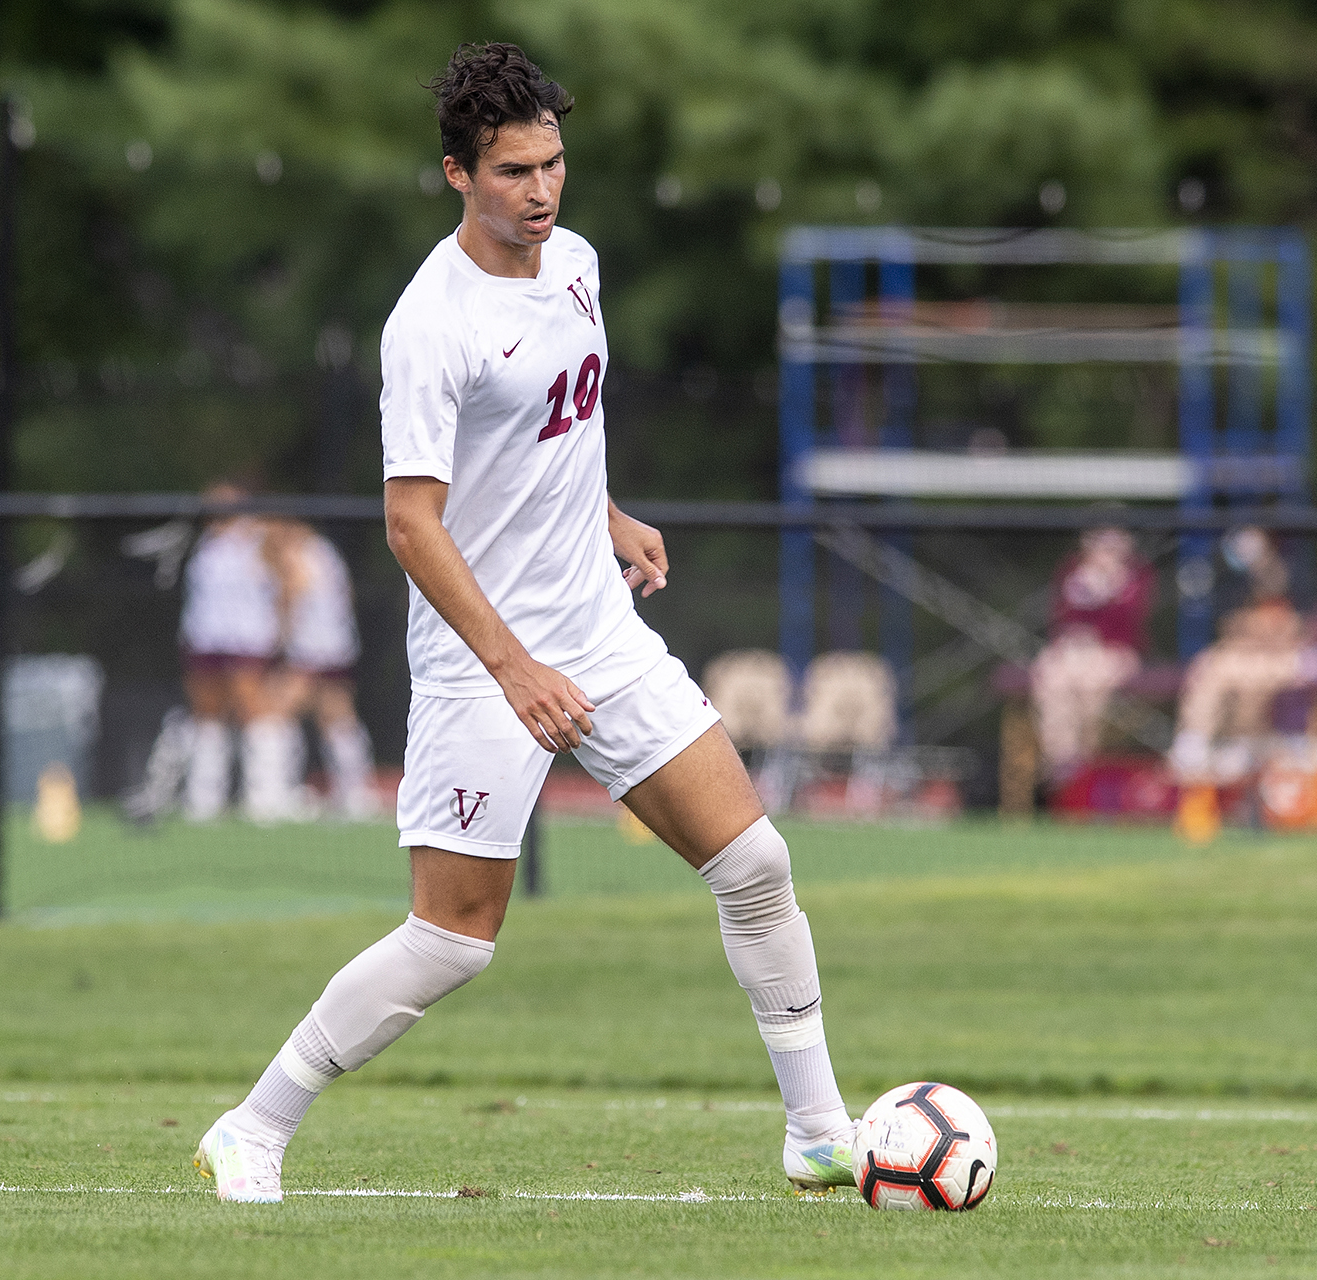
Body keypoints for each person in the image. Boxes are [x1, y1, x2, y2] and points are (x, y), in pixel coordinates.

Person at [195, 43, 858, 1203]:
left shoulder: (579, 264)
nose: (541, 191)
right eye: (512, 170)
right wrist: (512, 667)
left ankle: (817, 1131)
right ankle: (253, 1124)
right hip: (479, 660)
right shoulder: (429, 324)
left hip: (599, 628)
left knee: (755, 860)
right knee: (454, 938)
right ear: (459, 173)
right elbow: (412, 523)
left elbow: (546, 435)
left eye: (553, 162)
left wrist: (606, 515)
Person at [169, 482, 308, 823]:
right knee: (207, 717)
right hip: (206, 640)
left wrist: (282, 630)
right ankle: (203, 800)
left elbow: (290, 580)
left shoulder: (258, 537)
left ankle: (265, 799)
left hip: (247, 640)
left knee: (255, 714)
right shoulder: (205, 543)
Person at [1169, 528, 1317, 792]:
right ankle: (1193, 743)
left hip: (1284, 657)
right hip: (1244, 654)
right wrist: (1263, 632)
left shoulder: (1294, 574)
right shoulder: (1233, 580)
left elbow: (1302, 629)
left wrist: (1266, 632)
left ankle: (1242, 748)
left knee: (1253, 680)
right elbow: (1231, 627)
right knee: (1212, 669)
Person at [263, 519, 380, 819]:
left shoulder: (296, 553)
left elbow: (293, 591)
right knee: (338, 719)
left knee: (277, 711)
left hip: (309, 647)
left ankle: (272, 792)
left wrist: (281, 636)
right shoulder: (327, 552)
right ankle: (357, 793)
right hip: (338, 644)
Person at [1028, 526, 1155, 780]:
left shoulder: (1138, 574)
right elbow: (1060, 616)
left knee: (1090, 682)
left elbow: (1131, 620)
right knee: (1052, 678)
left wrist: (1110, 589)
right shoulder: (1072, 570)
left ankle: (1083, 758)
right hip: (1073, 650)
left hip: (1115, 652)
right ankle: (1061, 757)